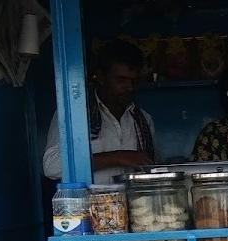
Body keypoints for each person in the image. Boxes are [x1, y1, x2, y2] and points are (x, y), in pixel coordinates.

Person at [43, 39, 156, 183]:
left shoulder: (143, 120)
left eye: (135, 81)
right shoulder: (74, 115)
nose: (130, 87)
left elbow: (150, 166)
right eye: (121, 80)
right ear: (101, 77)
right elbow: (52, 167)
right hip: (89, 204)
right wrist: (116, 157)